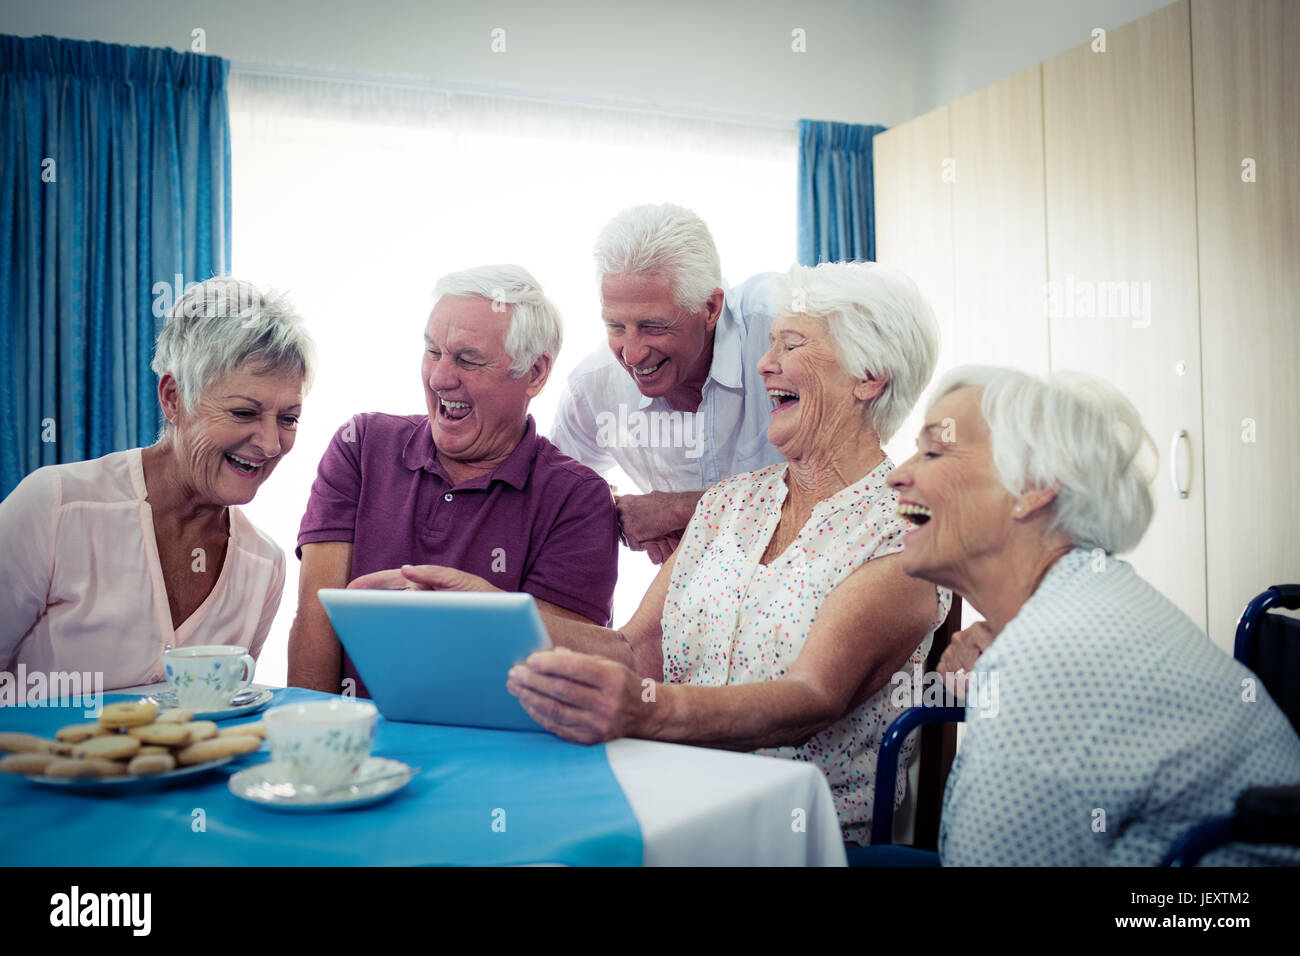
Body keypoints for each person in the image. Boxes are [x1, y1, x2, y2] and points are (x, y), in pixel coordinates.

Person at [356, 261, 951, 844]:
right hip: (664, 802)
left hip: (787, 832)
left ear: (868, 376)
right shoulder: (727, 505)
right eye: (769, 345)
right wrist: (490, 609)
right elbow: (630, 651)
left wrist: (648, 713)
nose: (766, 363)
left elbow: (811, 697)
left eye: (790, 346)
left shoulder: (909, 529)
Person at [886, 365, 1300, 865]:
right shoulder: (1083, 601)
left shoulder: (1053, 661)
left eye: (934, 451)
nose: (897, 474)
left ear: (1033, 485)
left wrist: (1015, 680)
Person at [289, 264, 619, 698]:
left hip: (497, 753)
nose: (440, 378)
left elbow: (551, 678)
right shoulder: (361, 445)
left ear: (535, 373)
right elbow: (316, 620)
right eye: (432, 351)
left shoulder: (578, 499)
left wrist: (473, 615)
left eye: (468, 359)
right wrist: (315, 746)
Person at [0, 277, 315, 691]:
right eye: (243, 413)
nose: (272, 443)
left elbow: (222, 720)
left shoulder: (264, 566)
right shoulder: (56, 508)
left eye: (288, 418)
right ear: (172, 398)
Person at [551, 203, 786, 563]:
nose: (630, 354)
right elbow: (554, 495)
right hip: (693, 607)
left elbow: (847, 494)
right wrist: (611, 509)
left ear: (710, 309)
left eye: (653, 326)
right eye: (615, 326)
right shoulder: (595, 385)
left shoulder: (781, 335)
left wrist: (680, 508)